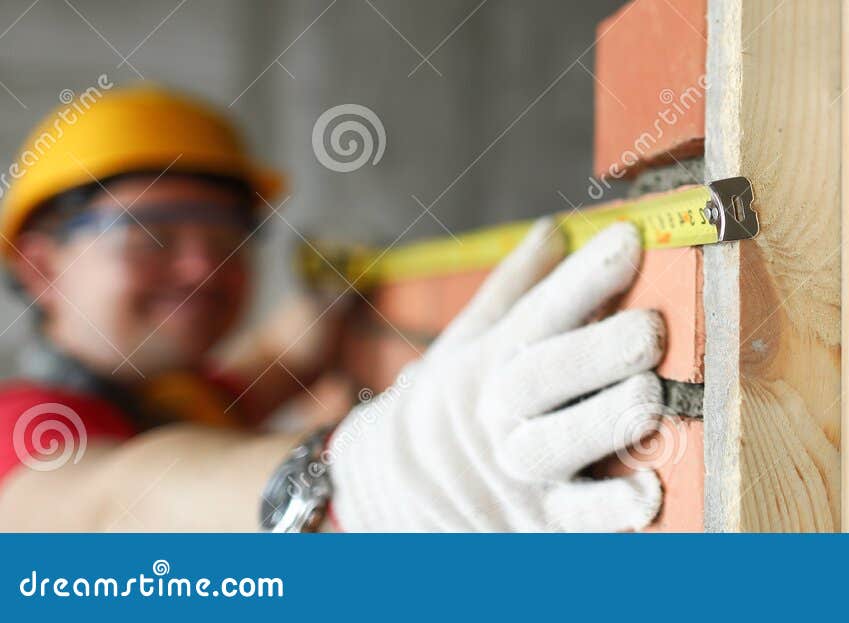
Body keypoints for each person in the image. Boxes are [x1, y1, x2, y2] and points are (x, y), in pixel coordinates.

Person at [0, 84, 666, 532]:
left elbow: (273, 365)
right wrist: (373, 473)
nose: (203, 266)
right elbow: (116, 508)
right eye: (155, 234)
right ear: (39, 263)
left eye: (230, 235)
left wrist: (327, 309)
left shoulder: (179, 390)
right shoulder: (27, 428)